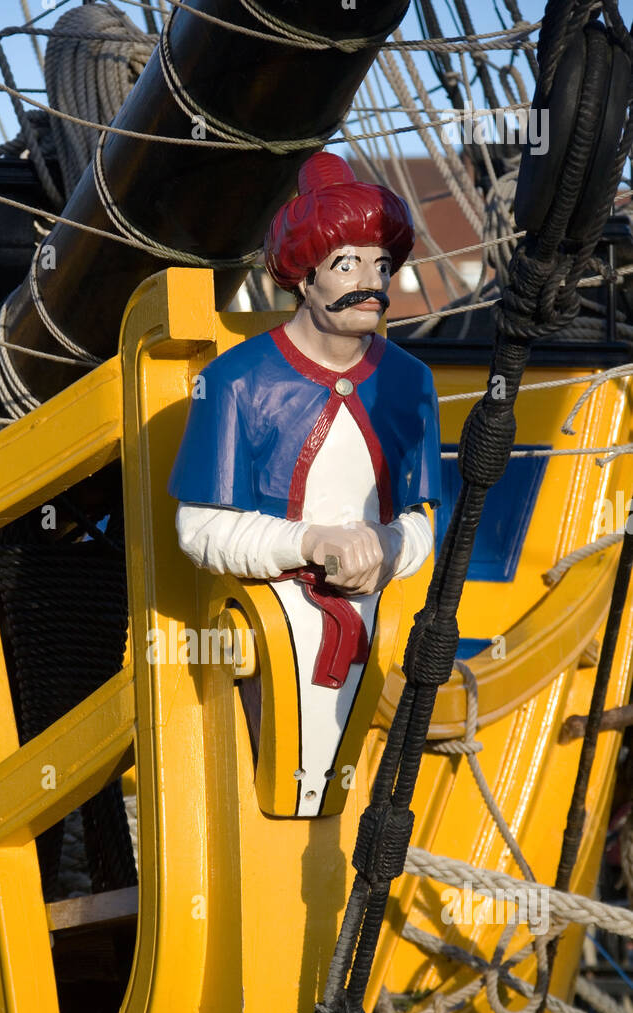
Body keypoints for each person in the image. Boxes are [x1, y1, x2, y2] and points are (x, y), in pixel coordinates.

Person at [168, 152, 441, 816]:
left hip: (382, 633)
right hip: (269, 640)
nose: (370, 283)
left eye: (381, 265)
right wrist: (310, 541)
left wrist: (386, 543)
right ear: (304, 273)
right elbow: (198, 528)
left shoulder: (411, 383)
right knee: (285, 803)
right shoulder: (239, 382)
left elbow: (428, 519)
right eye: (347, 264)